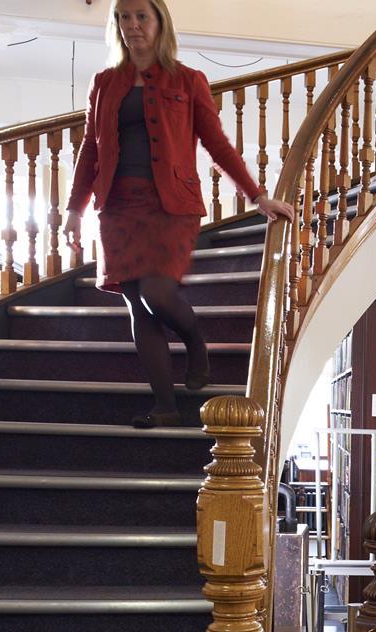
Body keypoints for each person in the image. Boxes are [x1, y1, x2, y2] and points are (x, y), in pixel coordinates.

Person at [62, 0, 296, 428]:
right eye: (123, 17)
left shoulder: (188, 80)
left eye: (141, 17)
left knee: (156, 292)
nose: (132, 26)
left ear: (159, 22)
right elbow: (91, 149)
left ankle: (195, 341)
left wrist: (257, 196)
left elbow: (217, 144)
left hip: (171, 205)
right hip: (117, 207)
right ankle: (165, 407)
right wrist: (74, 210)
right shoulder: (105, 83)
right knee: (136, 304)